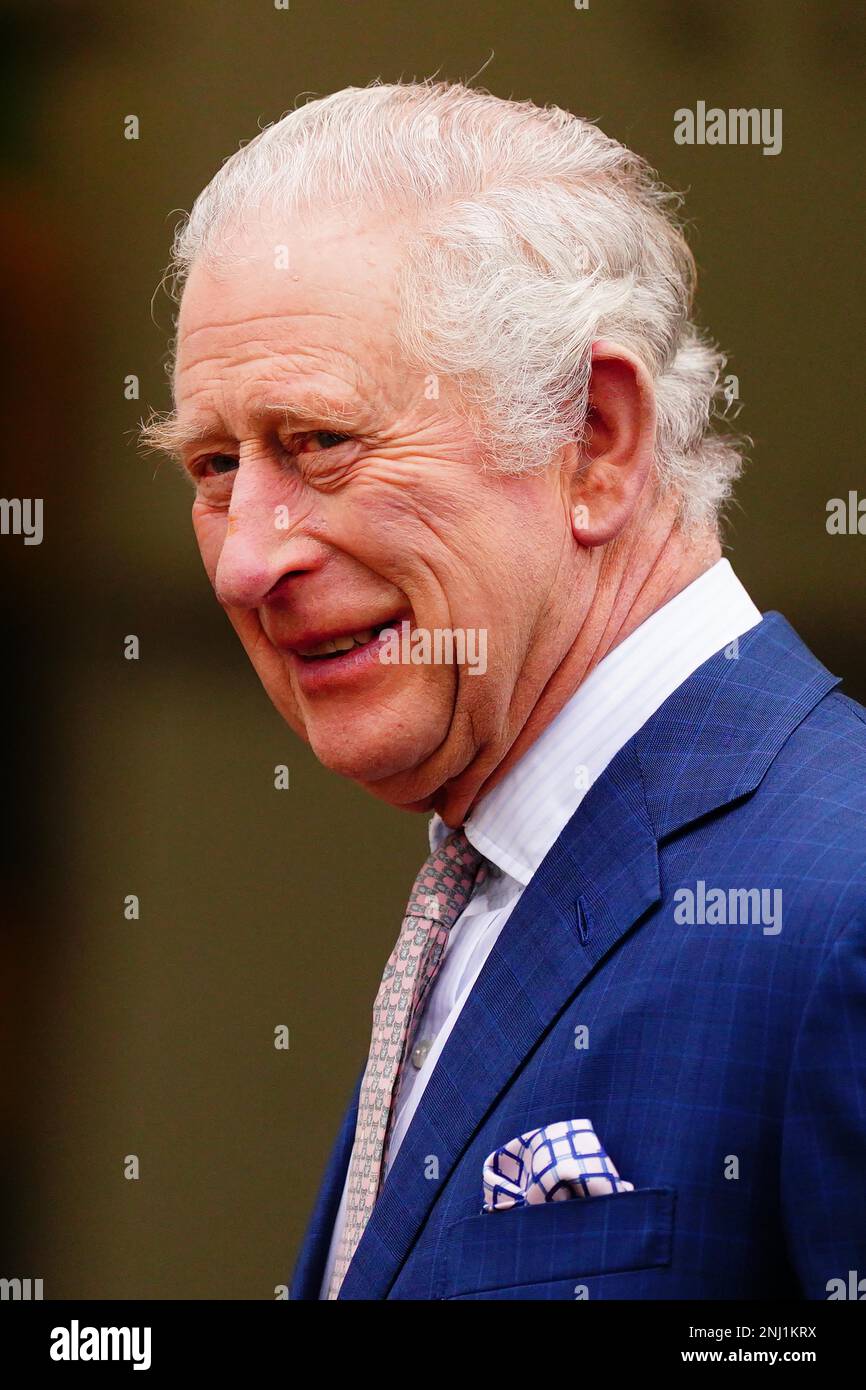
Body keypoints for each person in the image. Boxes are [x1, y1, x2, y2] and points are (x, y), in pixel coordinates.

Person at [143, 81, 866, 1300]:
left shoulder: (832, 906)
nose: (247, 555)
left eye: (319, 441)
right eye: (215, 465)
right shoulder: (492, 876)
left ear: (594, 441)